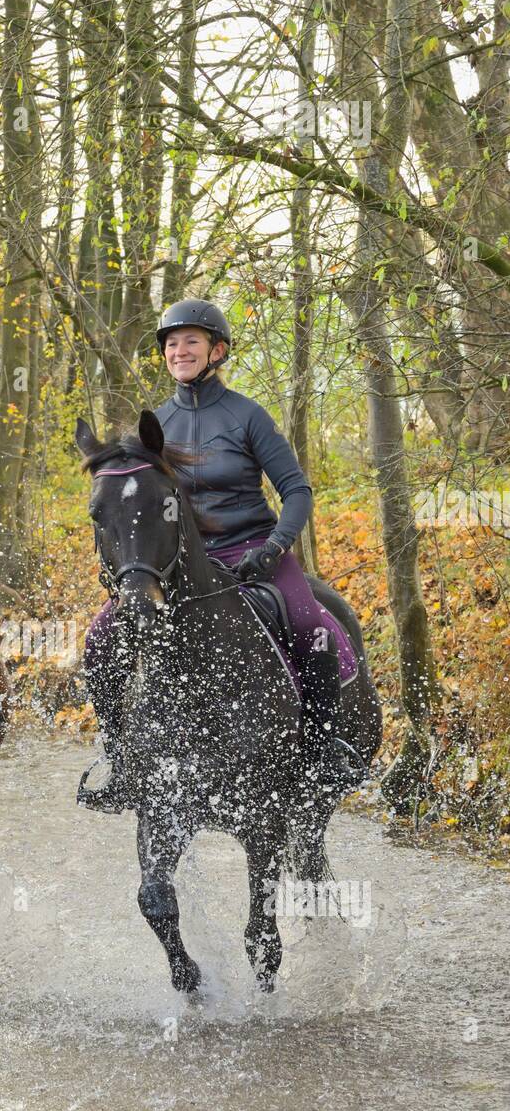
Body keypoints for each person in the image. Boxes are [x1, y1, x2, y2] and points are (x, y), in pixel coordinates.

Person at [80, 297, 365, 813]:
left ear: (218, 351)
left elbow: (297, 491)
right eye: (170, 343)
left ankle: (326, 751)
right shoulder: (154, 426)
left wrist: (277, 545)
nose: (178, 350)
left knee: (312, 627)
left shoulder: (247, 416)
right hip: (178, 564)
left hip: (254, 551)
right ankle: (120, 759)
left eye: (190, 340)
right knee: (100, 640)